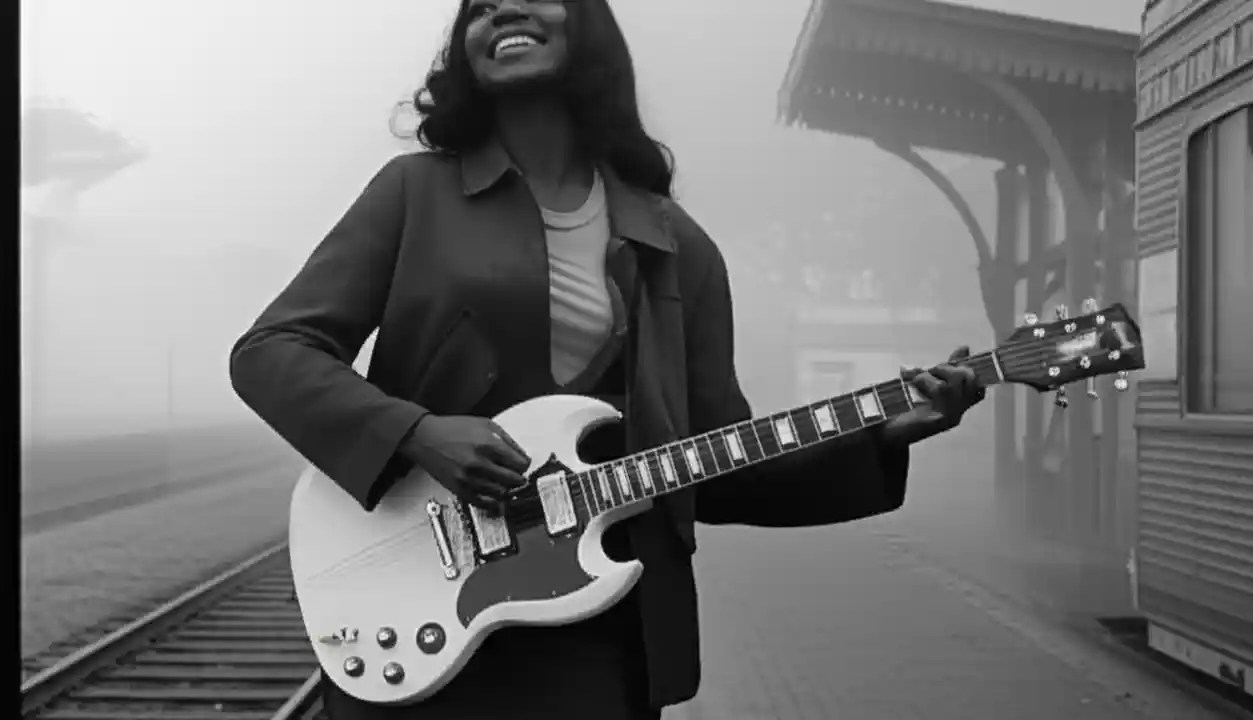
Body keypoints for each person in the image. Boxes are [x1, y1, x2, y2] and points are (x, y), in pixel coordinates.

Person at [228, 1, 986, 717]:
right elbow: (271, 351)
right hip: (417, 602)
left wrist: (882, 434)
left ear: (588, 24)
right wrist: (417, 432)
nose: (502, 10)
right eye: (480, 6)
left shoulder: (675, 247)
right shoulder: (413, 193)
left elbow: (717, 465)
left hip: (599, 632)